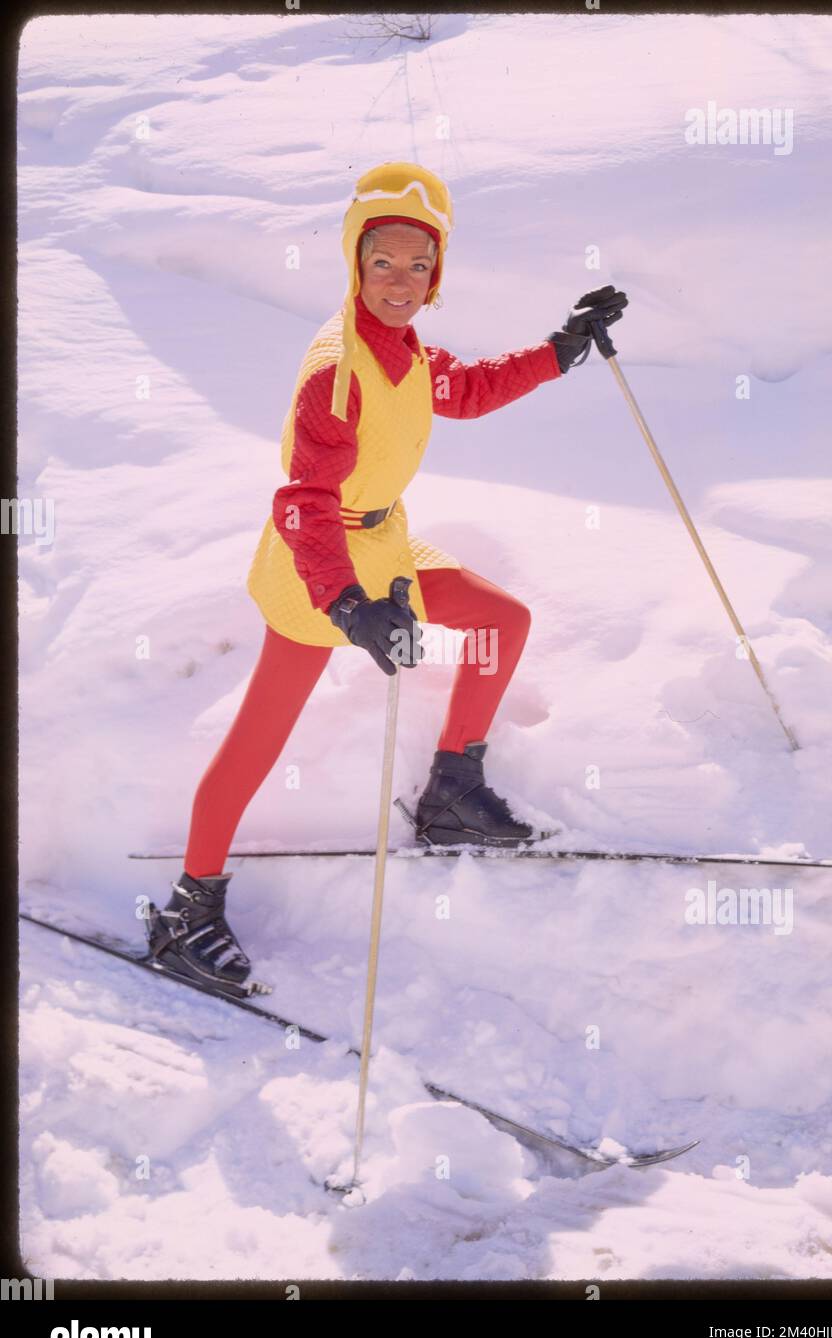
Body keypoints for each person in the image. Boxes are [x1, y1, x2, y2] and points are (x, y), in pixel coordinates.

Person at [145, 161, 628, 991]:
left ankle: (451, 793)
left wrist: (558, 352)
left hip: (384, 550)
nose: (399, 281)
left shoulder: (402, 348)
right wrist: (348, 606)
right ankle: (189, 909)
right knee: (258, 744)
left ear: (434, 274)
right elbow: (302, 502)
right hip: (316, 574)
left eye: (417, 265)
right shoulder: (338, 370)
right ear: (354, 264)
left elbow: (466, 390)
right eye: (382, 263)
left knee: (499, 620)